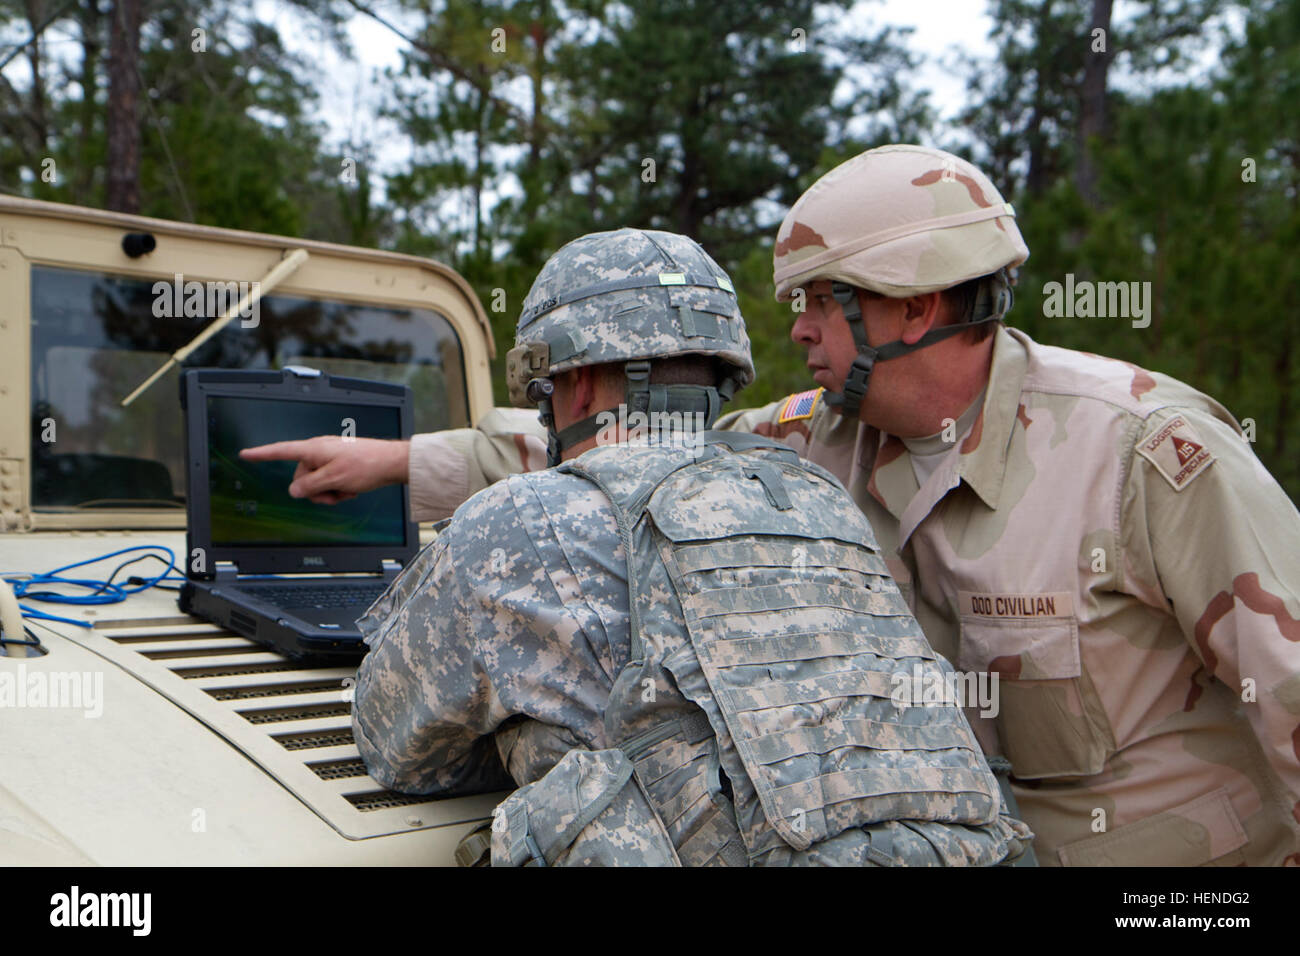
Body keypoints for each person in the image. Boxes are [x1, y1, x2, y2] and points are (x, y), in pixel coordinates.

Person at [246, 145, 1300, 867]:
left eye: (816, 301)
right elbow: (631, 442)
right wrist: (399, 460)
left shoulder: (1144, 454)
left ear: (915, 305)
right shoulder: (819, 435)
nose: (796, 330)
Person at [344, 227, 1031, 866]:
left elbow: (398, 750)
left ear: (575, 382)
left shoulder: (517, 520)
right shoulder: (812, 494)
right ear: (719, 371)